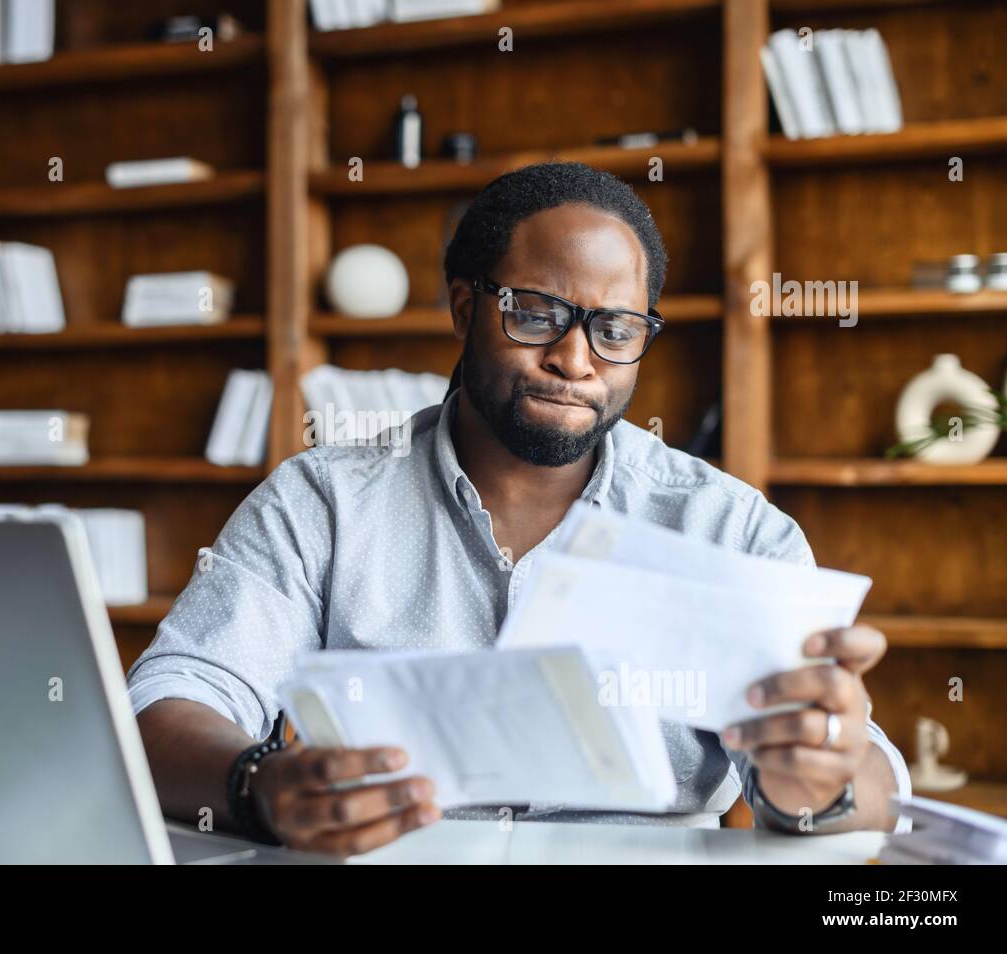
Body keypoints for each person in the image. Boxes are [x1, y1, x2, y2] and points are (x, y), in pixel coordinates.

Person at [128, 162, 911, 856]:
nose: (575, 361)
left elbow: (868, 793)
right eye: (535, 314)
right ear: (465, 309)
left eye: (615, 330)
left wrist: (823, 778)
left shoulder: (731, 531)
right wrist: (259, 788)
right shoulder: (320, 504)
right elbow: (164, 709)